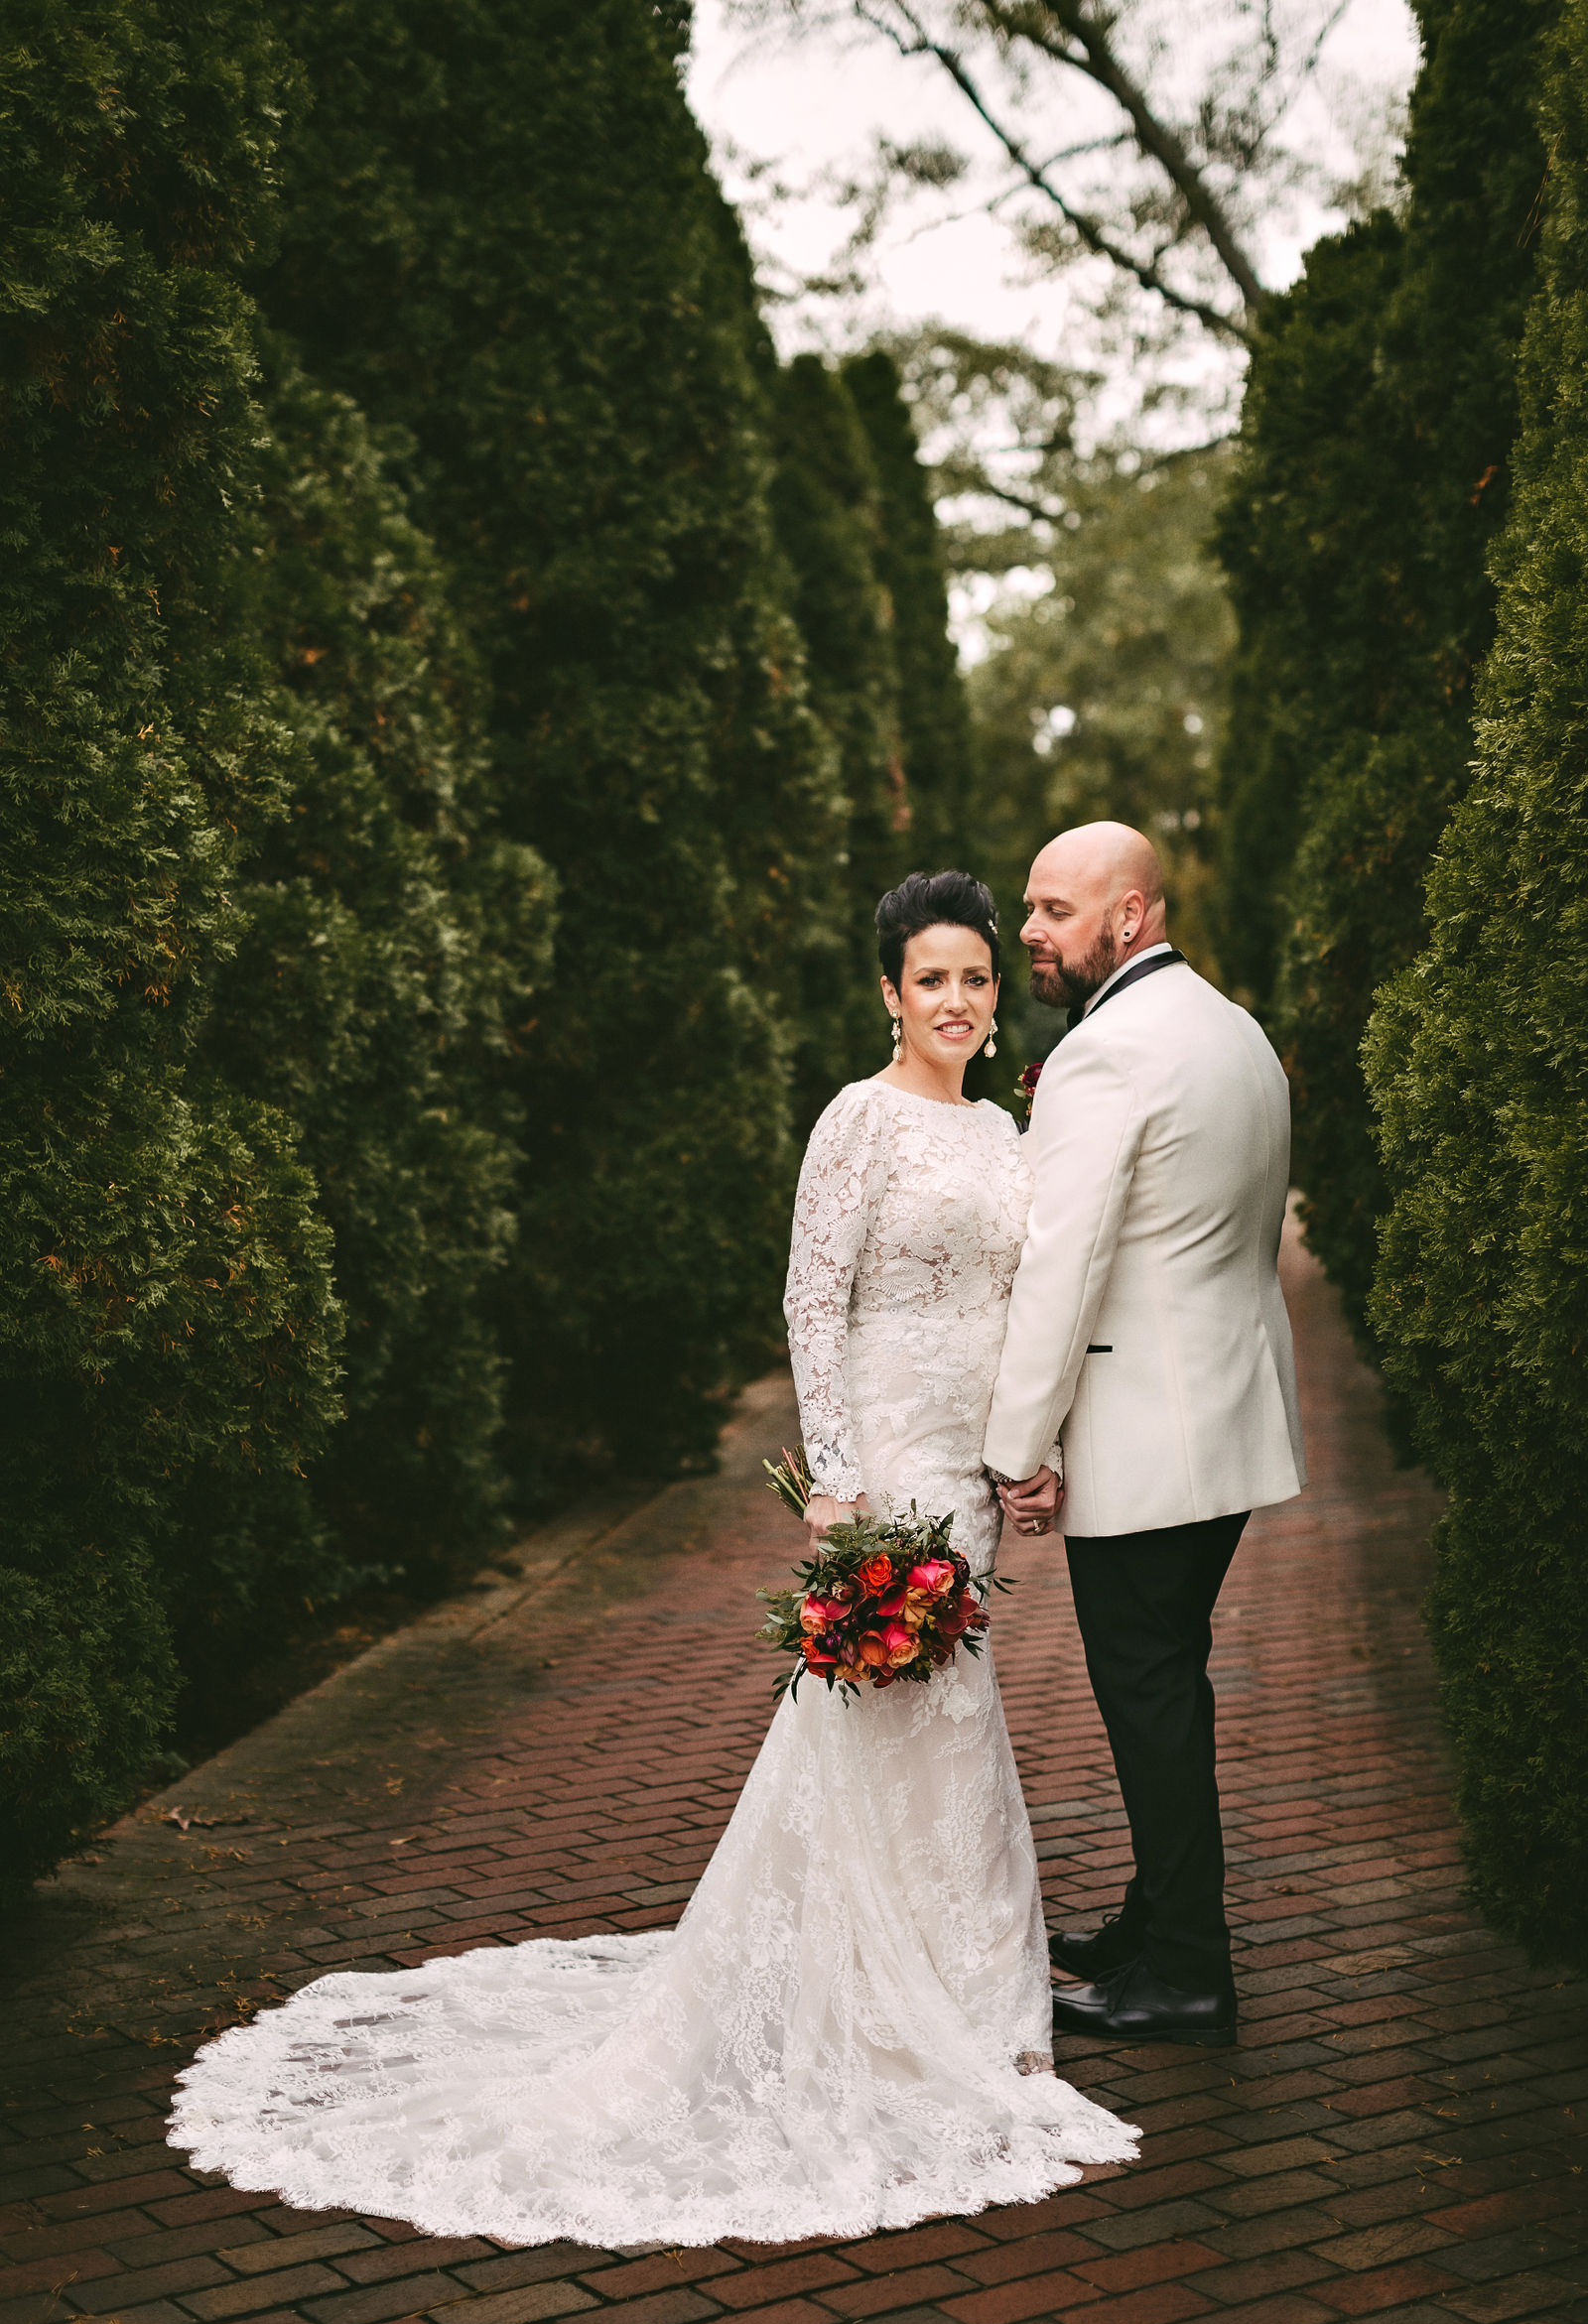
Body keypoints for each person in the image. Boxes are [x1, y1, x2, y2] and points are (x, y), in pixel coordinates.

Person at [167, 868, 1135, 2252]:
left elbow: (1027, 1303)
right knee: (891, 1714)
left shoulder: (1005, 1130)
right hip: (884, 1467)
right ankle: (914, 2011)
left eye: (978, 978)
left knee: (947, 1711)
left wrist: (1029, 1450)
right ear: (888, 995)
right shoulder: (858, 1122)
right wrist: (838, 1480)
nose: (961, 1001)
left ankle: (962, 1997)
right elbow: (815, 1298)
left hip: (970, 1472)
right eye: (933, 979)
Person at [984, 823, 1305, 2051]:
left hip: (1142, 1437)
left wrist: (1018, 1444)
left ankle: (1185, 1974)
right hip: (1223, 1418)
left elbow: (1064, 1267)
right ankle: (1152, 1921)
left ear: (1127, 916)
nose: (1029, 932)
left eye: (1054, 911)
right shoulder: (1230, 1031)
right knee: (1171, 1677)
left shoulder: (1107, 1054)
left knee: (1151, 1695)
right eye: (1028, 907)